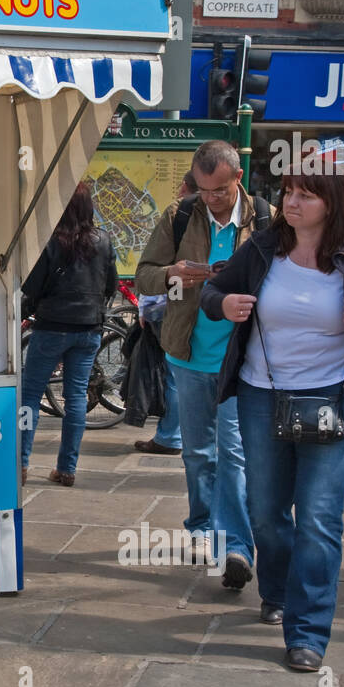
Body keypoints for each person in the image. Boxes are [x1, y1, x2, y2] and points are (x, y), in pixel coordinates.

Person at [200, 171, 344, 672]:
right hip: (260, 396)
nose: (290, 202)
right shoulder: (260, 249)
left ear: (332, 203)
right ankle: (277, 592)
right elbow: (214, 292)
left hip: (336, 400)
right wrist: (224, 305)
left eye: (304, 195)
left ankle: (308, 633)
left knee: (318, 517)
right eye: (288, 193)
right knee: (267, 511)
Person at [135, 140, 272, 583]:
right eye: (202, 190)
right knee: (197, 453)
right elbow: (144, 274)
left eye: (218, 191)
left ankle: (235, 546)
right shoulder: (178, 215)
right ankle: (202, 527)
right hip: (189, 353)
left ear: (238, 179)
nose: (210, 199)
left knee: (232, 453)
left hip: (243, 358)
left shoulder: (265, 218)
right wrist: (174, 273)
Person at [20, 182, 117, 486]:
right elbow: (110, 284)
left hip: (51, 327)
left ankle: (20, 466)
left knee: (30, 396)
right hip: (89, 329)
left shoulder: (51, 242)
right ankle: (66, 468)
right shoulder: (103, 240)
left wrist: (26, 312)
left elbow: (32, 287)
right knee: (76, 397)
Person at [134, 170, 197, 456]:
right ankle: (174, 434)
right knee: (177, 373)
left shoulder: (180, 217)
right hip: (172, 308)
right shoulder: (178, 218)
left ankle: (171, 435)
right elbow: (151, 272)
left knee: (174, 374)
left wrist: (147, 307)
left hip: (169, 311)